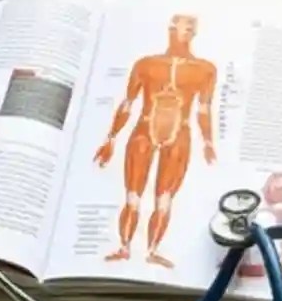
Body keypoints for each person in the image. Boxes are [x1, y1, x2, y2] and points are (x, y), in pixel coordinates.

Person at [93, 14, 217, 268]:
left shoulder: (204, 69)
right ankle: (125, 247)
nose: (179, 31)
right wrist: (111, 139)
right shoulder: (146, 64)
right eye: (174, 26)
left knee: (164, 199)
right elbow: (128, 103)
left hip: (179, 132)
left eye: (186, 28)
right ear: (168, 29)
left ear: (194, 33)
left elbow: (203, 108)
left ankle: (151, 250)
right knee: (133, 196)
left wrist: (208, 142)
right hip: (144, 127)